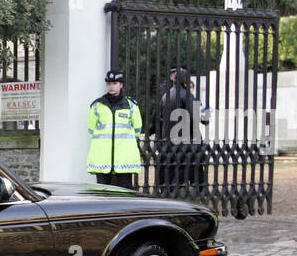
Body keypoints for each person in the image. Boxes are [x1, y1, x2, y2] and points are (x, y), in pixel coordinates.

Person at [151, 68, 210, 196]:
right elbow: (196, 117)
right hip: (186, 139)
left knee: (171, 168)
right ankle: (197, 191)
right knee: (192, 168)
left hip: (169, 138)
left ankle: (168, 190)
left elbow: (159, 118)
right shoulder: (187, 95)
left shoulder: (166, 96)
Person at [87, 70, 143, 188]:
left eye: (115, 83)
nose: (111, 86)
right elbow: (91, 130)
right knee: (102, 195)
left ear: (121, 85)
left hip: (123, 160)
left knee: (124, 194)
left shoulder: (131, 105)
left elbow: (137, 129)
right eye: (109, 84)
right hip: (103, 160)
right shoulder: (97, 106)